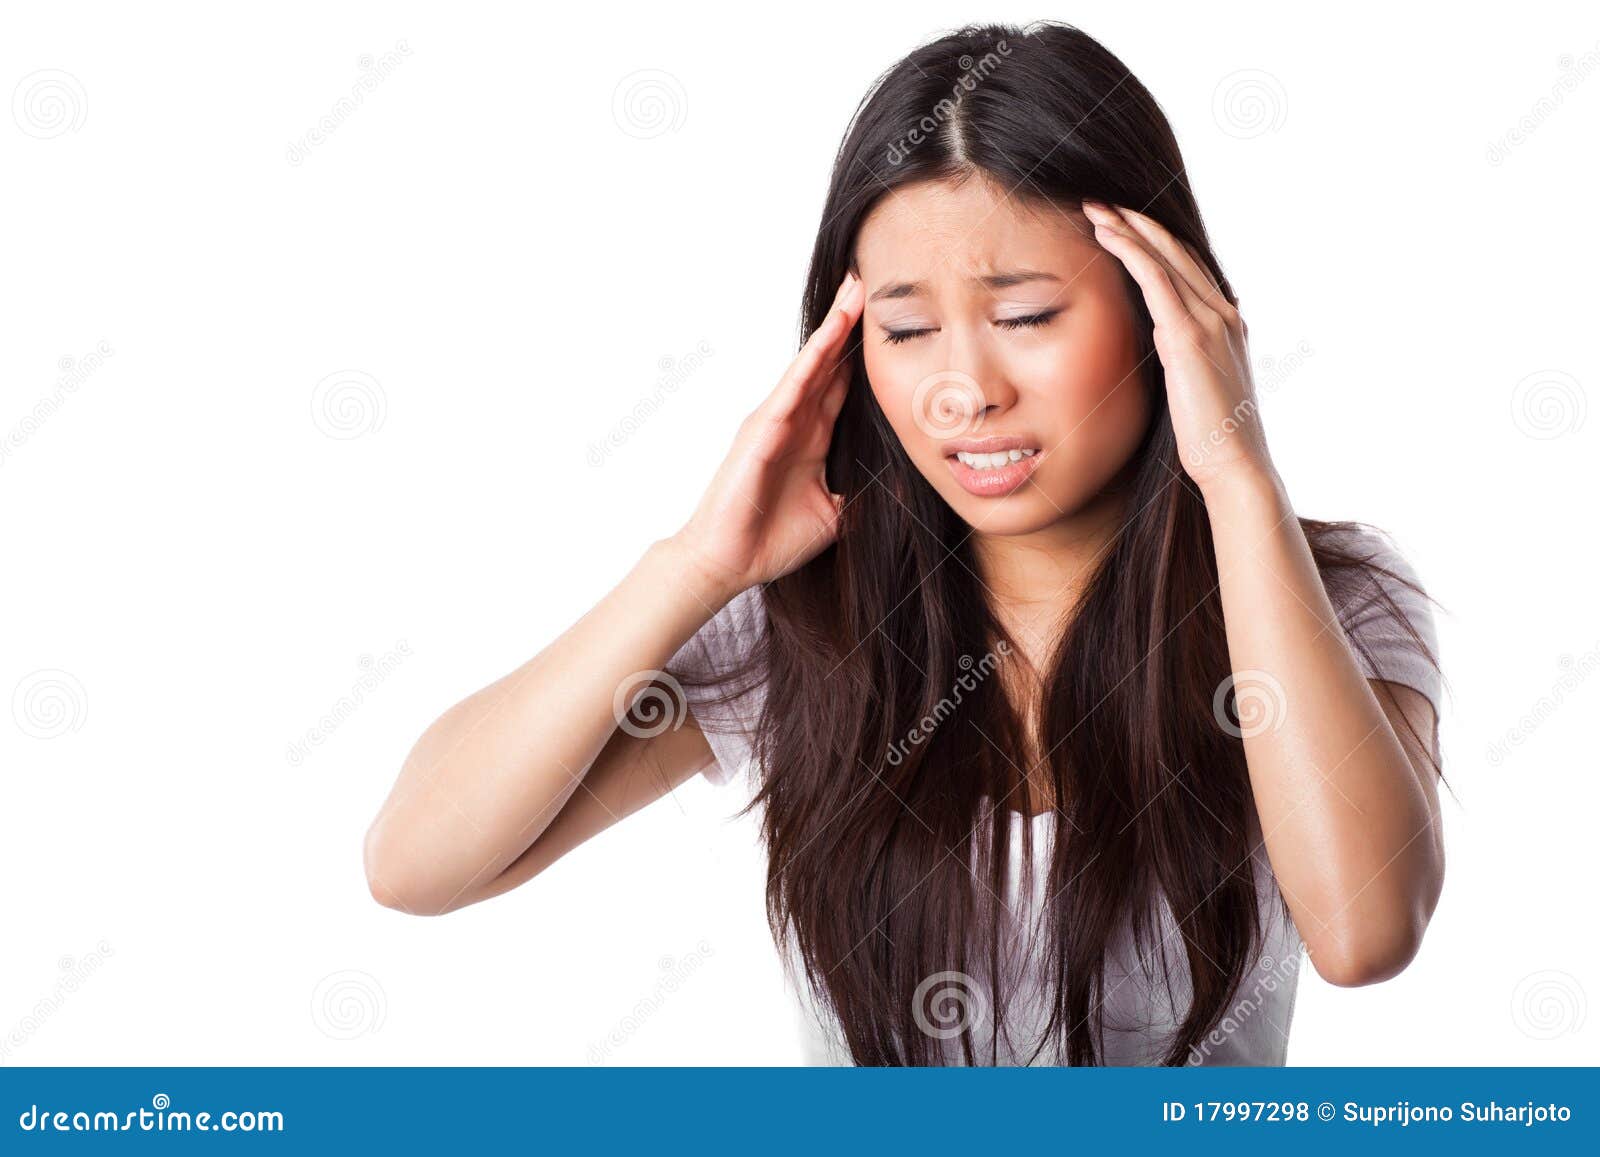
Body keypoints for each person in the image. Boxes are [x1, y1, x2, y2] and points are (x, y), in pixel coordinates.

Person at [364, 21, 1446, 1066]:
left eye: (1024, 315)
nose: (963, 392)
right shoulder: (806, 618)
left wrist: (1237, 477)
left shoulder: (1327, 597)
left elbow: (1365, 932)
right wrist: (697, 562)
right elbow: (416, 863)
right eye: (906, 328)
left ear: (1169, 312)